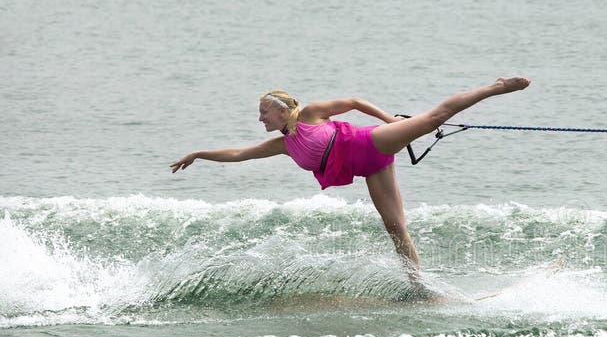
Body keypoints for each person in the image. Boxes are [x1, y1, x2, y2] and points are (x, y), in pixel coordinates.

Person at [170, 77, 531, 288]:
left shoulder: (310, 114)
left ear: (281, 109)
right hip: (370, 169)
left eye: (263, 111)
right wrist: (199, 154)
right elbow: (238, 154)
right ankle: (418, 285)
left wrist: (390, 120)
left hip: (372, 142)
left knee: (435, 116)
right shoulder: (282, 144)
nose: (259, 117)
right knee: (394, 227)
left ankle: (498, 87)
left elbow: (356, 101)